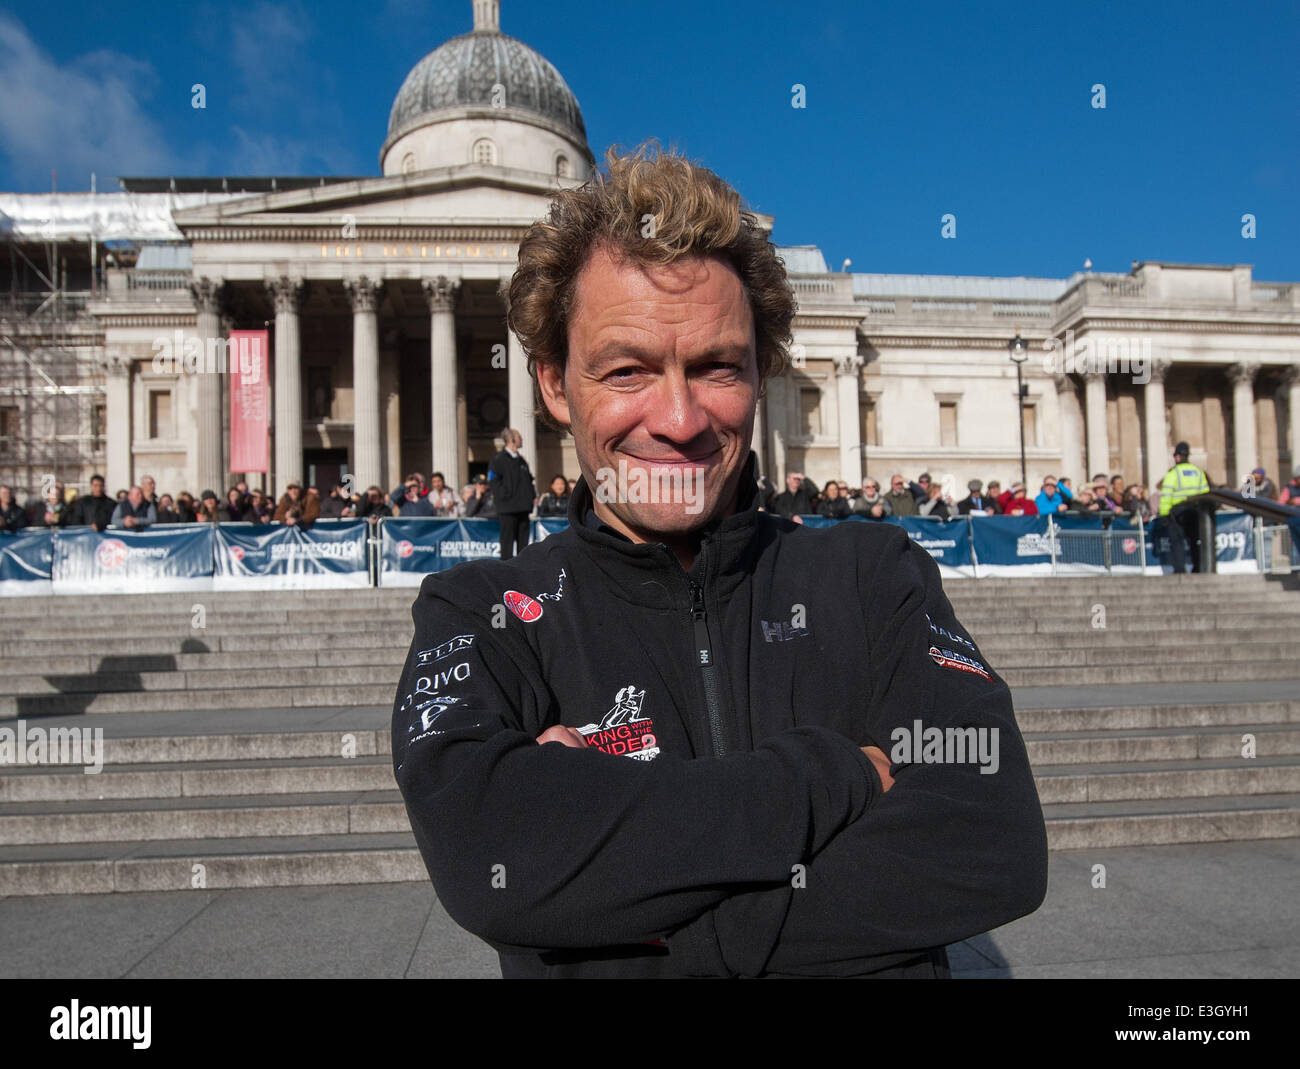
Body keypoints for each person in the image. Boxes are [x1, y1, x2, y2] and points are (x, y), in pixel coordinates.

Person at [392, 141, 1046, 980]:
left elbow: (992, 836)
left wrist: (615, 918)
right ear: (555, 385)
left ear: (762, 370)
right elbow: (494, 859)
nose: (679, 417)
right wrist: (837, 773)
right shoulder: (477, 610)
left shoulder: (872, 575)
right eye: (627, 369)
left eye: (716, 367)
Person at [1158, 441, 1209, 573]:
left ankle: (1180, 570)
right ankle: (1197, 567)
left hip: (1178, 512)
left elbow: (1166, 495)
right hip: (1195, 511)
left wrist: (1164, 514)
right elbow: (1205, 493)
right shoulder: (1198, 472)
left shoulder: (1173, 473)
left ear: (1178, 456)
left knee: (1177, 542)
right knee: (1195, 541)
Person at [490, 427, 536, 559]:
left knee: (524, 546)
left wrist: (531, 496)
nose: (522, 440)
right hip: (507, 509)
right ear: (512, 439)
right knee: (507, 544)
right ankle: (506, 574)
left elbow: (529, 481)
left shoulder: (522, 461)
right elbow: (493, 482)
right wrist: (505, 495)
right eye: (519, 437)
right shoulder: (498, 459)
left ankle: (523, 572)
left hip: (523, 509)